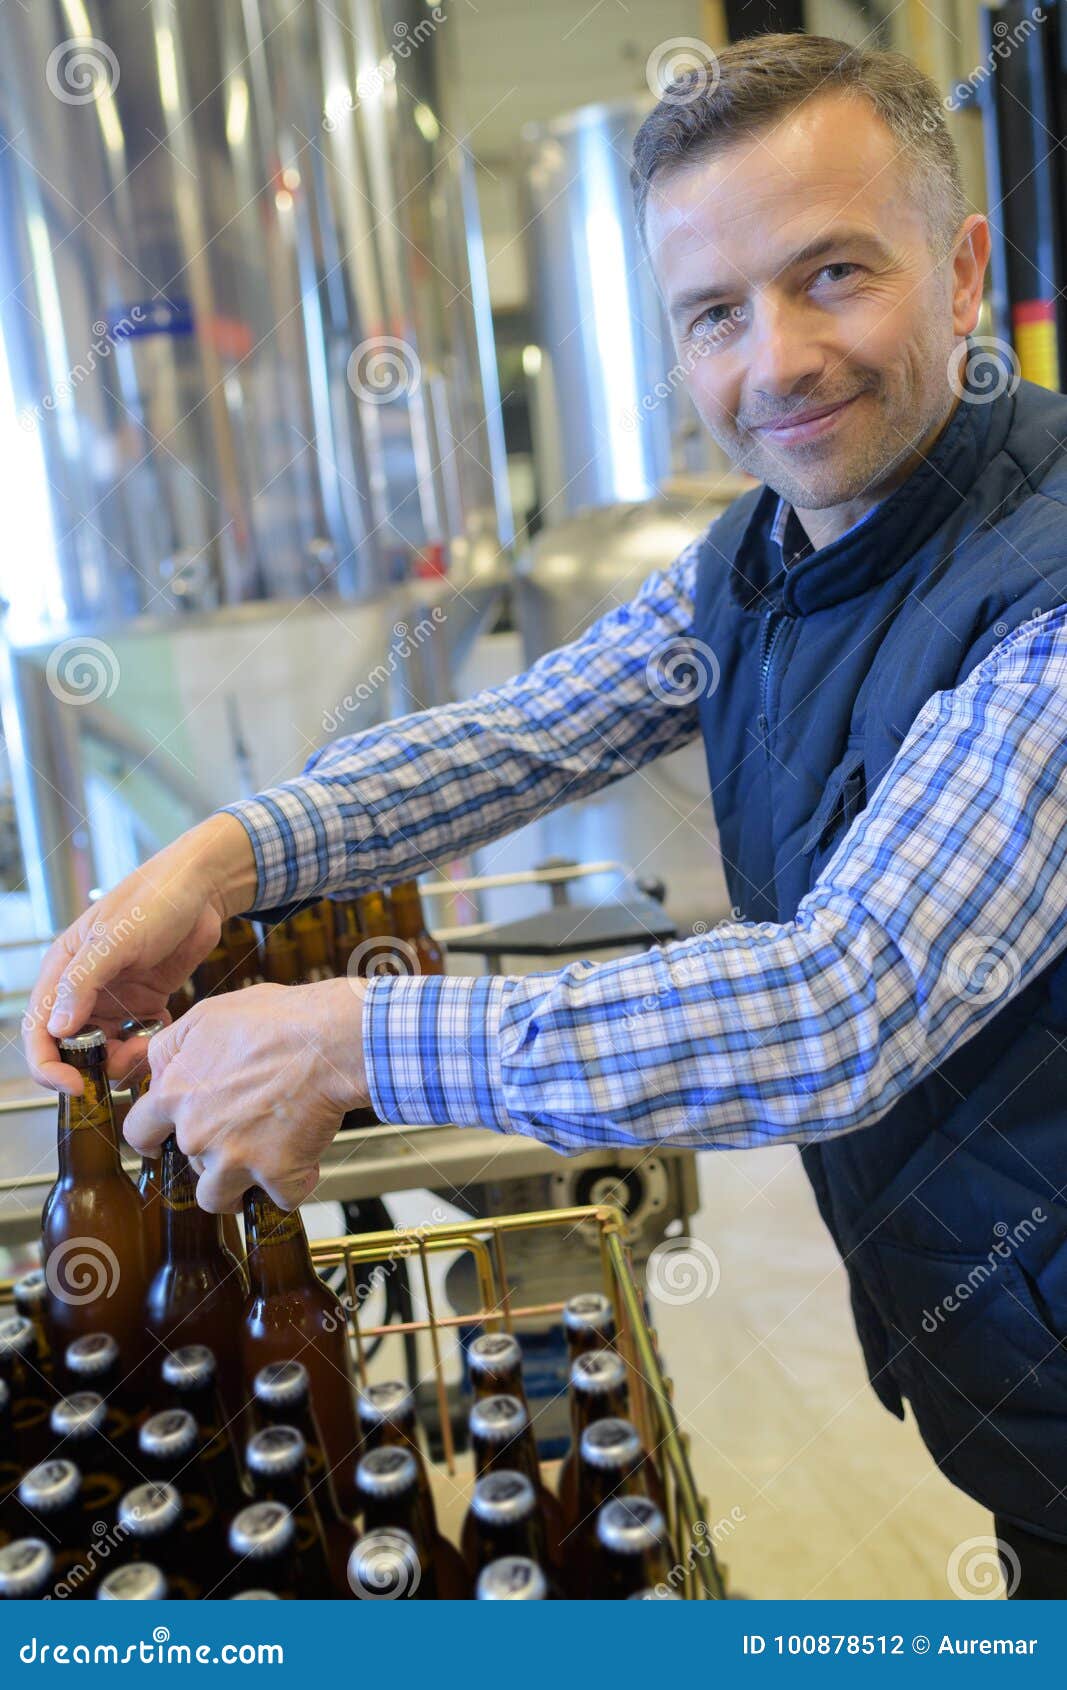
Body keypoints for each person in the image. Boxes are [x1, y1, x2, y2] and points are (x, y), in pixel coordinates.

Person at [22, 34, 1067, 1596]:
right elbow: (519, 733)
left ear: (966, 269)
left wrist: (355, 1040)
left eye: (835, 273)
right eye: (715, 312)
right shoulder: (763, 557)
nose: (775, 360)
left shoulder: (1045, 595)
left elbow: (852, 998)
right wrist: (217, 858)